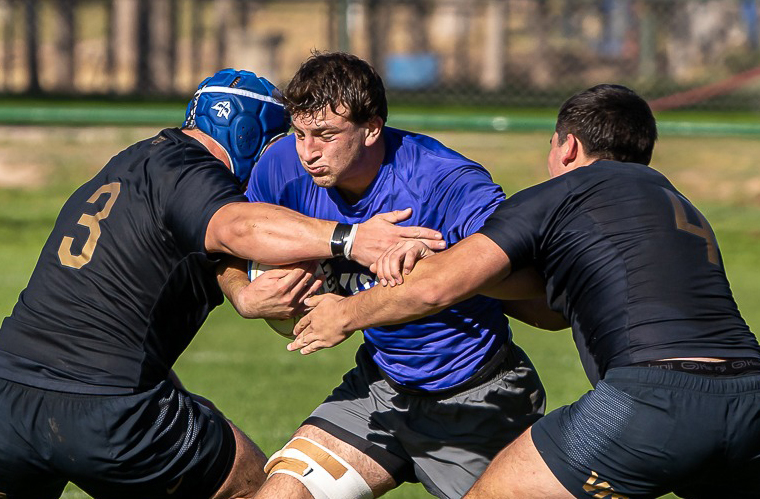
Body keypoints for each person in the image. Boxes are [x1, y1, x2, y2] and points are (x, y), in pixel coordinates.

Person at [0, 68, 444, 499]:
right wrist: (352, 239)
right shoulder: (192, 172)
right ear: (249, 135)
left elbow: (200, 248)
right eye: (280, 142)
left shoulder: (135, 162)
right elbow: (236, 228)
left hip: (1, 398)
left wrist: (242, 294)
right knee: (255, 486)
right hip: (112, 410)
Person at [294, 84, 760, 498]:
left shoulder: (562, 193)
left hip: (649, 400)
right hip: (749, 401)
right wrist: (436, 255)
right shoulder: (675, 202)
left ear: (567, 147)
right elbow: (541, 292)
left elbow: (437, 289)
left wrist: (346, 313)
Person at [218, 51, 549, 499]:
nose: (308, 152)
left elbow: (533, 280)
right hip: (379, 391)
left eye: (326, 135)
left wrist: (445, 262)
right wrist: (243, 292)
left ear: (372, 127)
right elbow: (227, 237)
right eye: (299, 133)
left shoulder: (447, 182)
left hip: (477, 401)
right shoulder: (283, 165)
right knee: (283, 493)